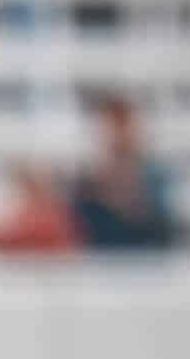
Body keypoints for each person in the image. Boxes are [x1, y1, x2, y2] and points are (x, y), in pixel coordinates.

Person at [69, 94, 176, 250]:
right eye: (110, 126)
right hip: (101, 258)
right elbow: (81, 231)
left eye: (121, 125)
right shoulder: (89, 179)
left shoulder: (155, 175)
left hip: (145, 258)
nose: (115, 134)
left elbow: (163, 230)